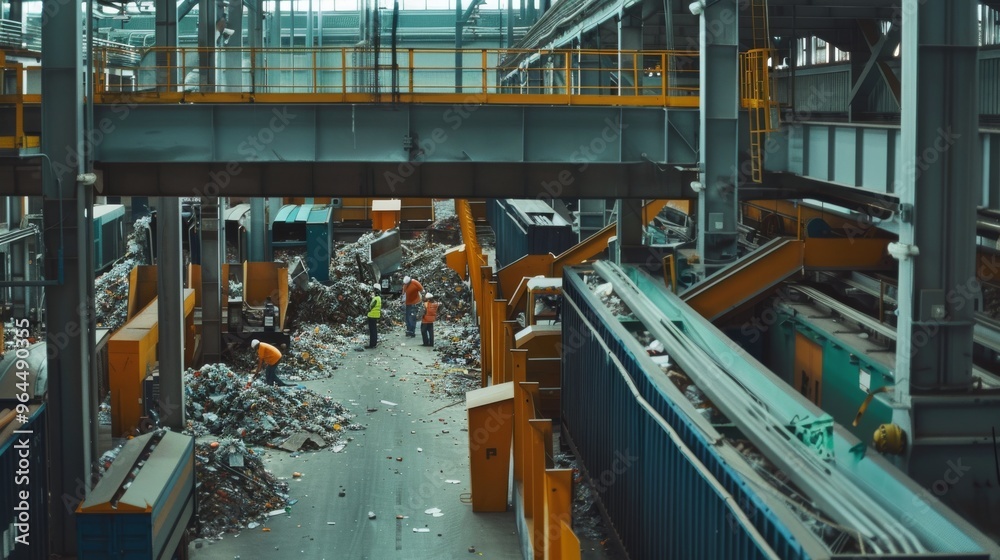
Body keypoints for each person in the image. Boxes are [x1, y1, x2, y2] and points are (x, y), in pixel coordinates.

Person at [367, 283, 382, 349]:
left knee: (372, 331)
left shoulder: (375, 299)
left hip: (371, 316)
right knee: (374, 330)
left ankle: (372, 344)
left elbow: (370, 307)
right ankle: (374, 343)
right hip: (375, 316)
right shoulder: (379, 298)